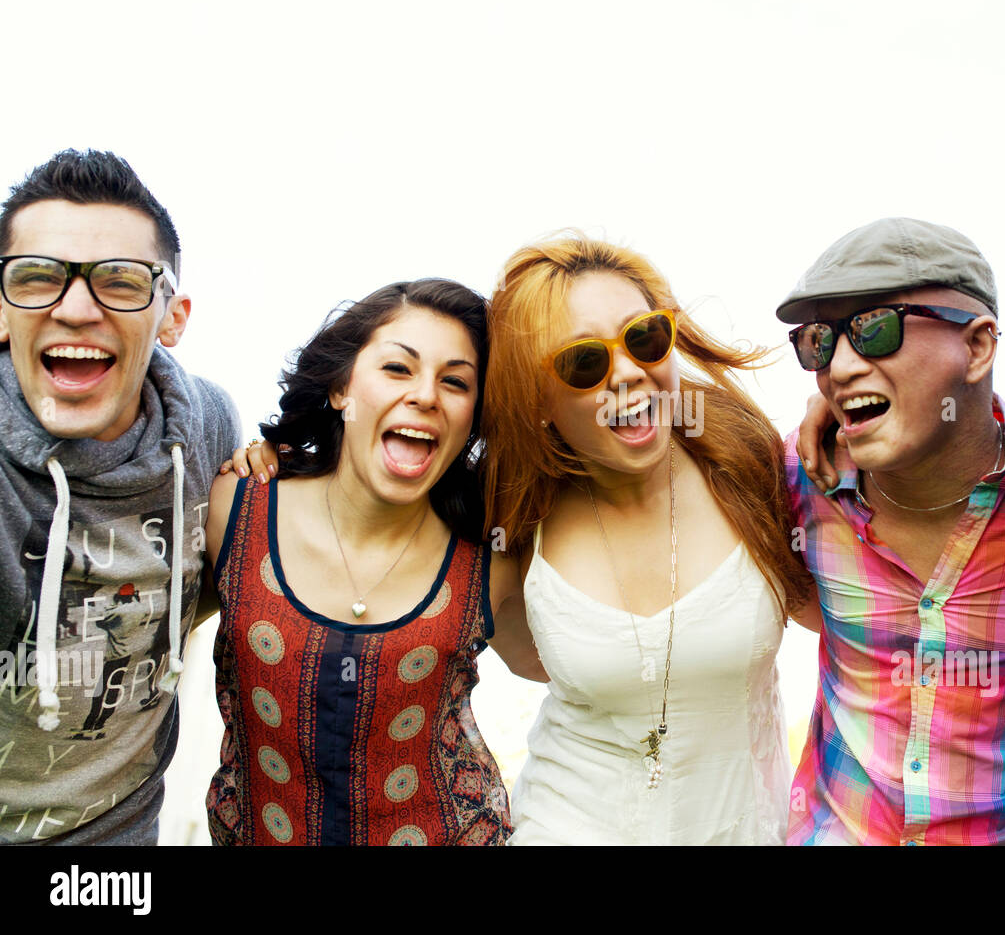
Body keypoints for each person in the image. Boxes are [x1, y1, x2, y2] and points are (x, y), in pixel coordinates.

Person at [783, 217, 1005, 844]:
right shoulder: (800, 478)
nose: (840, 367)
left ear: (977, 347)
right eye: (819, 342)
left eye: (873, 330)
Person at [483, 234, 816, 845]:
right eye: (585, 362)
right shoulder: (512, 511)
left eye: (644, 338)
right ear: (534, 399)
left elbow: (836, 610)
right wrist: (259, 462)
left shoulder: (740, 453)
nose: (630, 373)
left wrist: (849, 427)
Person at [204, 279, 513, 845]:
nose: (426, 395)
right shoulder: (235, 506)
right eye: (399, 369)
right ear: (342, 388)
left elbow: (567, 667)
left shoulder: (493, 556)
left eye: (455, 381)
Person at [0, 149, 239, 844]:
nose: (76, 309)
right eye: (37, 277)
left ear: (173, 317)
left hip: (115, 840)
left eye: (121, 282)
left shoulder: (210, 430)